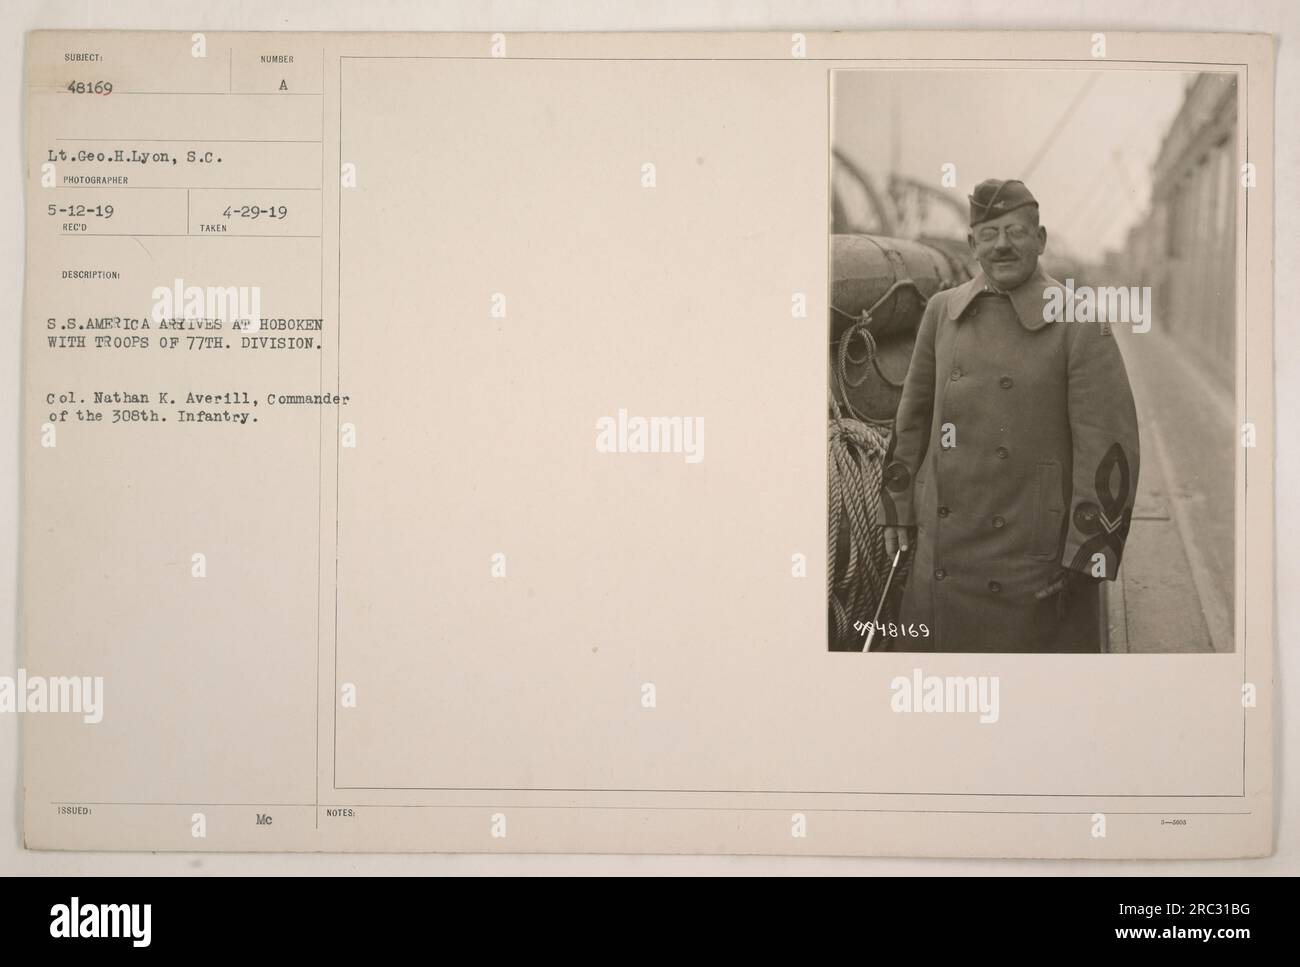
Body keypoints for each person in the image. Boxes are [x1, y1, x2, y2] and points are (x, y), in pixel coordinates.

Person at [878, 178, 1140, 652]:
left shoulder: (1080, 322)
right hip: (942, 560)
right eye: (990, 233)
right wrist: (896, 504)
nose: (1003, 245)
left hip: (1031, 569)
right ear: (971, 242)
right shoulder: (942, 311)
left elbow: (1109, 448)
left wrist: (1086, 561)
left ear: (1039, 241)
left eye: (1017, 232)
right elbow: (910, 419)